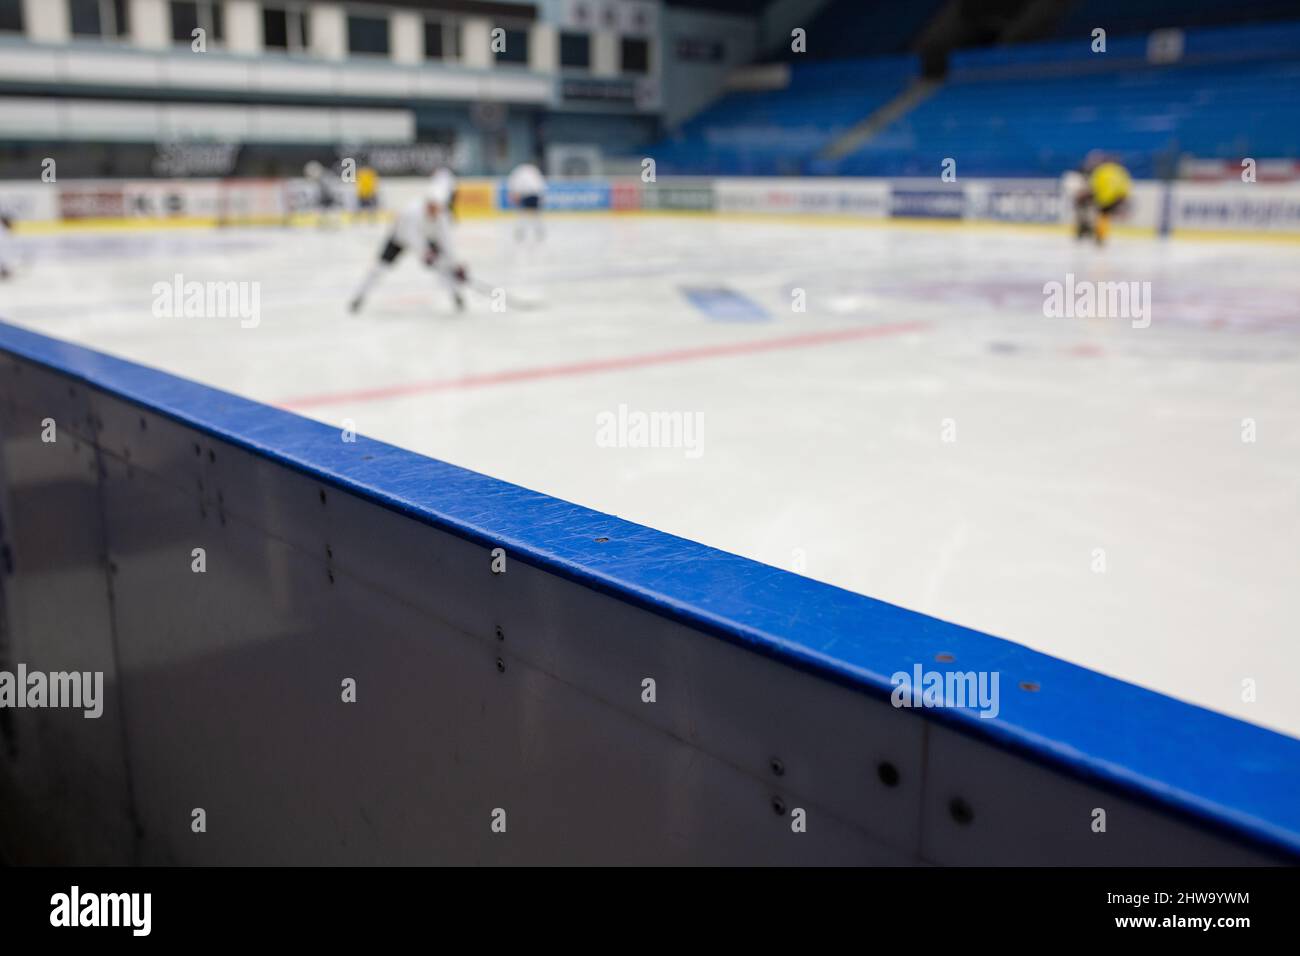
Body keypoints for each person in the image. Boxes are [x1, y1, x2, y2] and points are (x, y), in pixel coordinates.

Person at [348, 177, 468, 315]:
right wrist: (426, 254)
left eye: (437, 207)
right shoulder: (412, 212)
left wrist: (456, 266)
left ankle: (456, 295)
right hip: (399, 238)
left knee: (442, 266)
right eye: (431, 206)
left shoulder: (442, 218)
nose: (434, 210)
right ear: (427, 203)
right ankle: (359, 296)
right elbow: (413, 238)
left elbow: (447, 243)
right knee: (378, 268)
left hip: (426, 239)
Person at [1069, 151, 1131, 244]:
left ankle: (1090, 232)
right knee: (1103, 216)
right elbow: (1125, 187)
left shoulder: (1101, 170)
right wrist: (1122, 199)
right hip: (1113, 198)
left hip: (1100, 197)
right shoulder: (1121, 171)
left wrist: (1088, 194)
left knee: (1095, 213)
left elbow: (1093, 184)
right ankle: (1099, 235)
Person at [506, 161, 547, 243]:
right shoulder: (533, 170)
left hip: (527, 194)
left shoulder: (518, 171)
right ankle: (537, 230)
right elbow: (540, 184)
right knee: (535, 214)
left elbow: (514, 183)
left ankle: (522, 231)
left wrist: (514, 194)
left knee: (523, 214)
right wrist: (542, 197)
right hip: (534, 194)